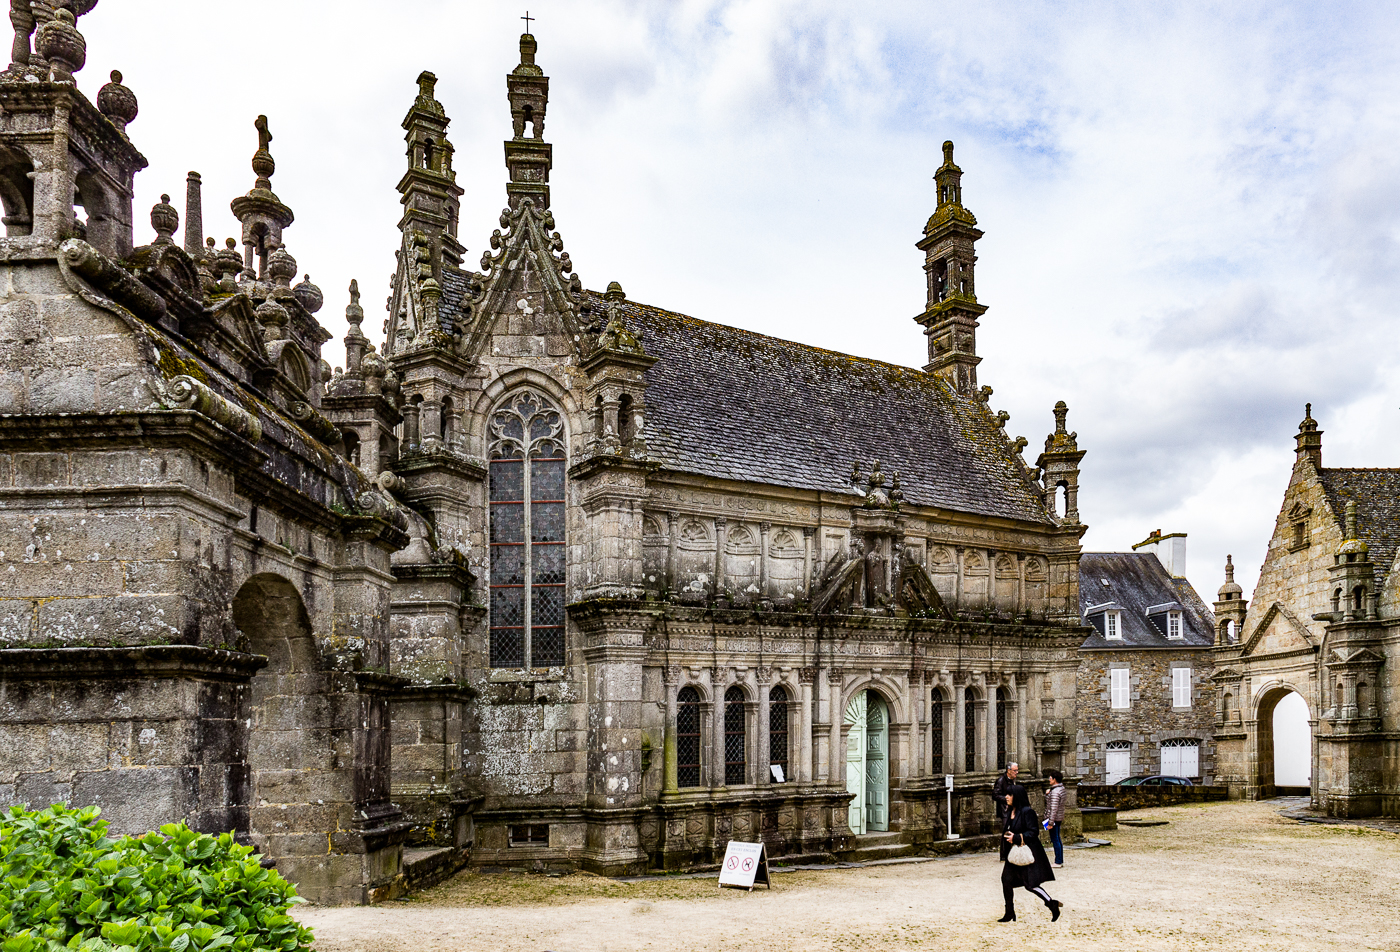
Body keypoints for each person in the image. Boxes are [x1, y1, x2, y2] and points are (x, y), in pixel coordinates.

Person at [998, 783, 1062, 923]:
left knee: (1030, 885)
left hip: (1027, 853)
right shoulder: (1011, 812)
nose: (1006, 797)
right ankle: (1009, 912)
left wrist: (1015, 837)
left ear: (1017, 796)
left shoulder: (1028, 812)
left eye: (1009, 794)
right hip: (1014, 853)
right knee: (1006, 880)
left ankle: (1051, 903)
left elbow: (1033, 832)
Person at [1044, 769, 1066, 868]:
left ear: (1054, 779)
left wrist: (1050, 823)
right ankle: (1059, 860)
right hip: (1058, 817)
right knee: (1057, 838)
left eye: (1050, 778)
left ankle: (1058, 861)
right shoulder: (1061, 789)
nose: (1049, 779)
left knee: (1055, 839)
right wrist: (1047, 794)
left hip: (1054, 819)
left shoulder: (1055, 792)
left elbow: (1053, 808)